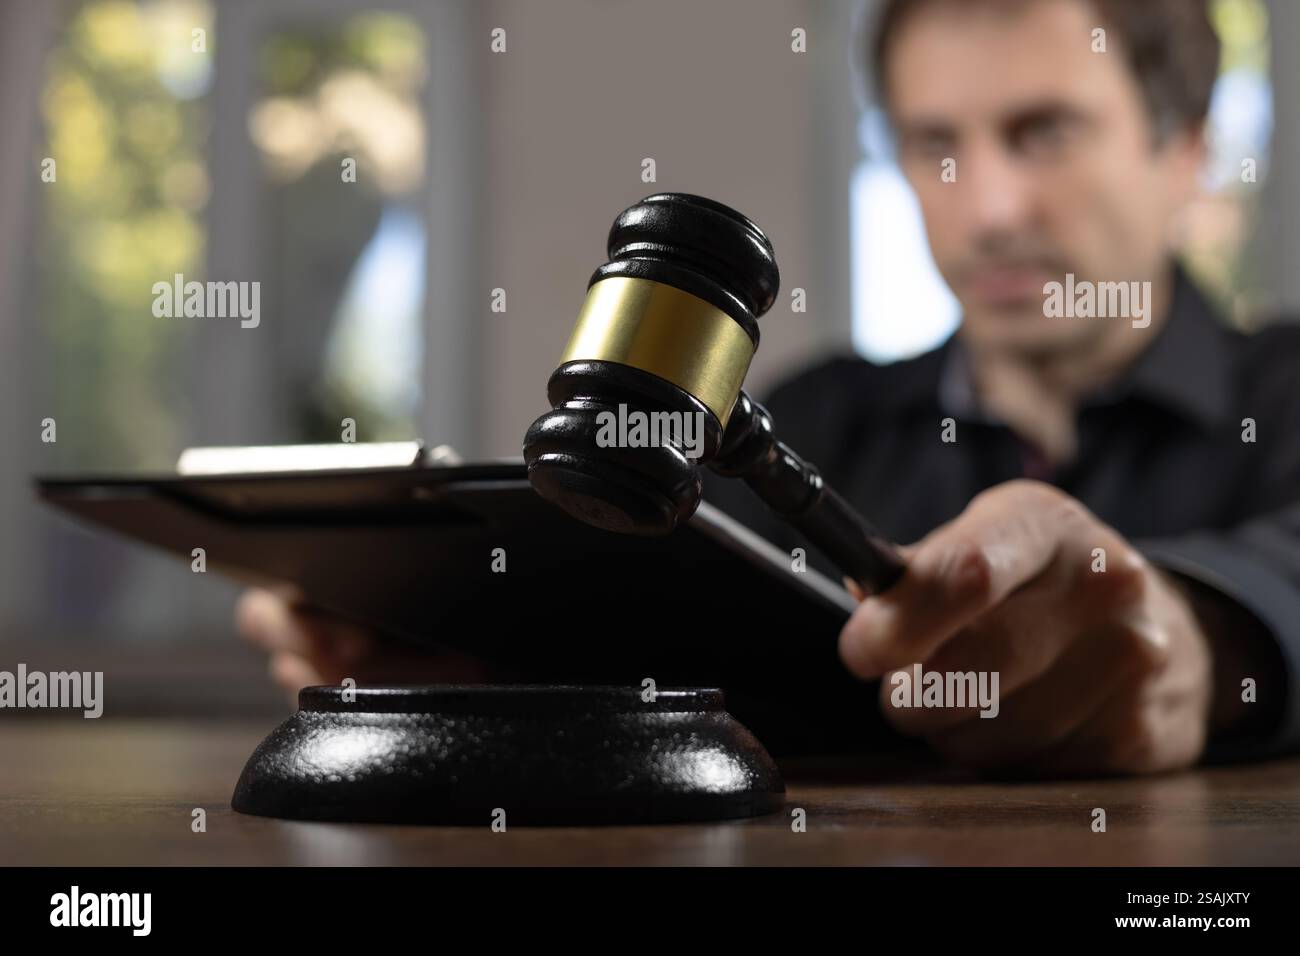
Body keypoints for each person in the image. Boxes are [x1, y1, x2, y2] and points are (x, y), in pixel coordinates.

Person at [240, 0, 1300, 776]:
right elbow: (643, 627)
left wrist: (1197, 640)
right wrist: (478, 654)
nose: (988, 209)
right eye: (935, 145)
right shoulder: (818, 416)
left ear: (1186, 155)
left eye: (1045, 132)